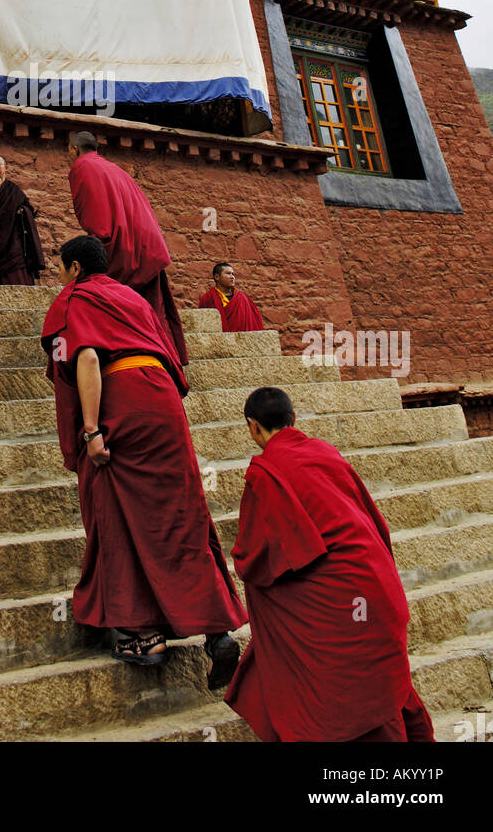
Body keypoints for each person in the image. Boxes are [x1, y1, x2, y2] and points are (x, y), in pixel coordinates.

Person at [41, 234, 246, 681]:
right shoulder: (132, 299)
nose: (59, 276)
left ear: (74, 268)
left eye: (60, 267)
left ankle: (143, 634)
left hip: (123, 402)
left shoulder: (77, 297)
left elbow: (88, 357)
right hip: (164, 401)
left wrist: (92, 431)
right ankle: (216, 632)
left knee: (114, 509)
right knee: (181, 514)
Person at [225, 386, 435, 743]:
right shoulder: (325, 452)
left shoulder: (264, 471)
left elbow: (255, 558)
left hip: (343, 602)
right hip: (378, 586)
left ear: (252, 427)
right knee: (376, 685)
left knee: (344, 698)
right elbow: (370, 516)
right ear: (294, 419)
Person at [66, 132, 187, 364]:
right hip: (145, 245)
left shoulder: (83, 167)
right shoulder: (115, 169)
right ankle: (166, 363)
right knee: (152, 314)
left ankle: (144, 364)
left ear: (74, 150)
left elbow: (97, 216)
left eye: (68, 151)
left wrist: (97, 248)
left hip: (124, 248)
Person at [0, 157, 46, 285]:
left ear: (6, 168)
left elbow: (28, 213)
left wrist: (22, 212)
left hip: (13, 247)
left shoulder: (13, 191)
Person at [199, 262, 264, 332]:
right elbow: (203, 326)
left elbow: (253, 324)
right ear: (217, 277)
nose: (232, 277)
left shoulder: (242, 298)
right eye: (228, 273)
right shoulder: (208, 298)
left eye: (233, 274)